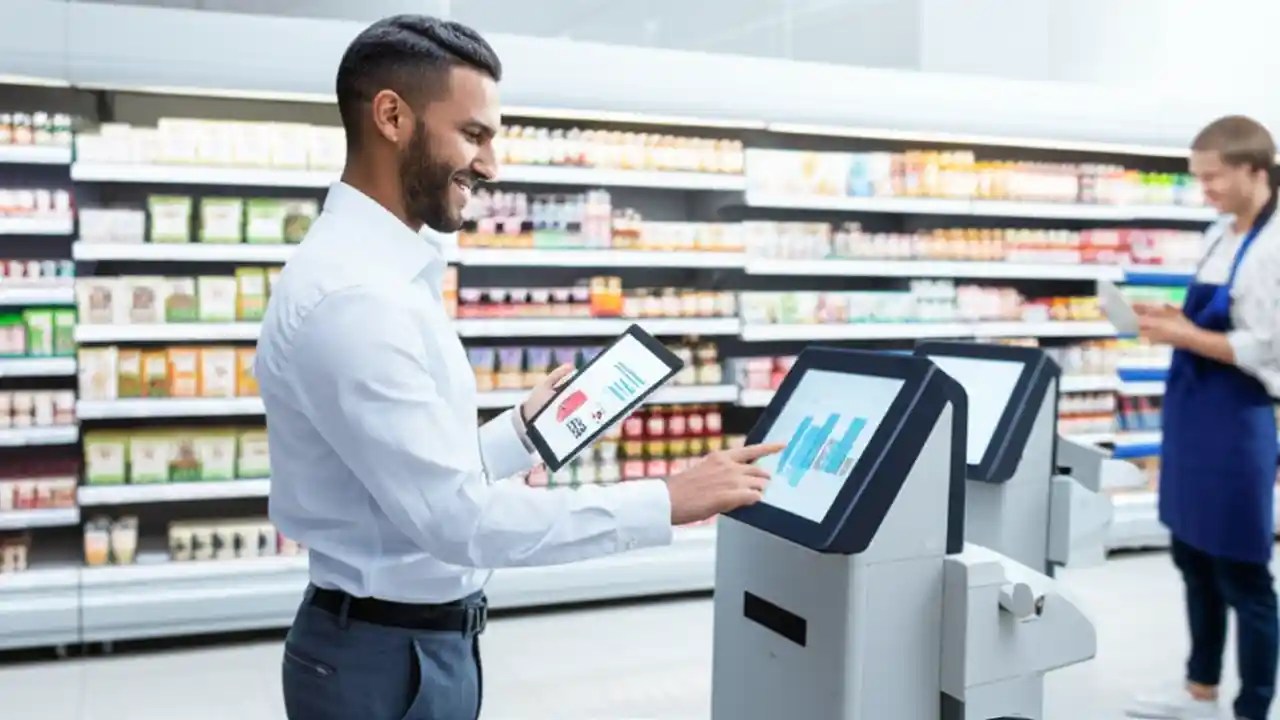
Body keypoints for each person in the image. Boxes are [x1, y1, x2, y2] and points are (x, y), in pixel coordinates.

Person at [254, 15, 782, 720]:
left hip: (408, 643)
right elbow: (455, 520)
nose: (491, 165)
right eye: (473, 134)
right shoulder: (355, 298)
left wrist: (520, 434)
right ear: (391, 116)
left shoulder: (385, 273)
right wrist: (665, 500)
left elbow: (405, 478)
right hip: (383, 660)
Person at [1127, 115, 1280, 720]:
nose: (1205, 189)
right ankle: (1199, 690)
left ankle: (1253, 707)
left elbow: (1265, 348)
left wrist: (1185, 334)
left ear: (1254, 170)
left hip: (1238, 418)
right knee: (1191, 554)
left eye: (1213, 177)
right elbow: (1205, 320)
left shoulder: (1275, 247)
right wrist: (1169, 319)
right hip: (1193, 416)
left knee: (1242, 570)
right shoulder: (1220, 233)